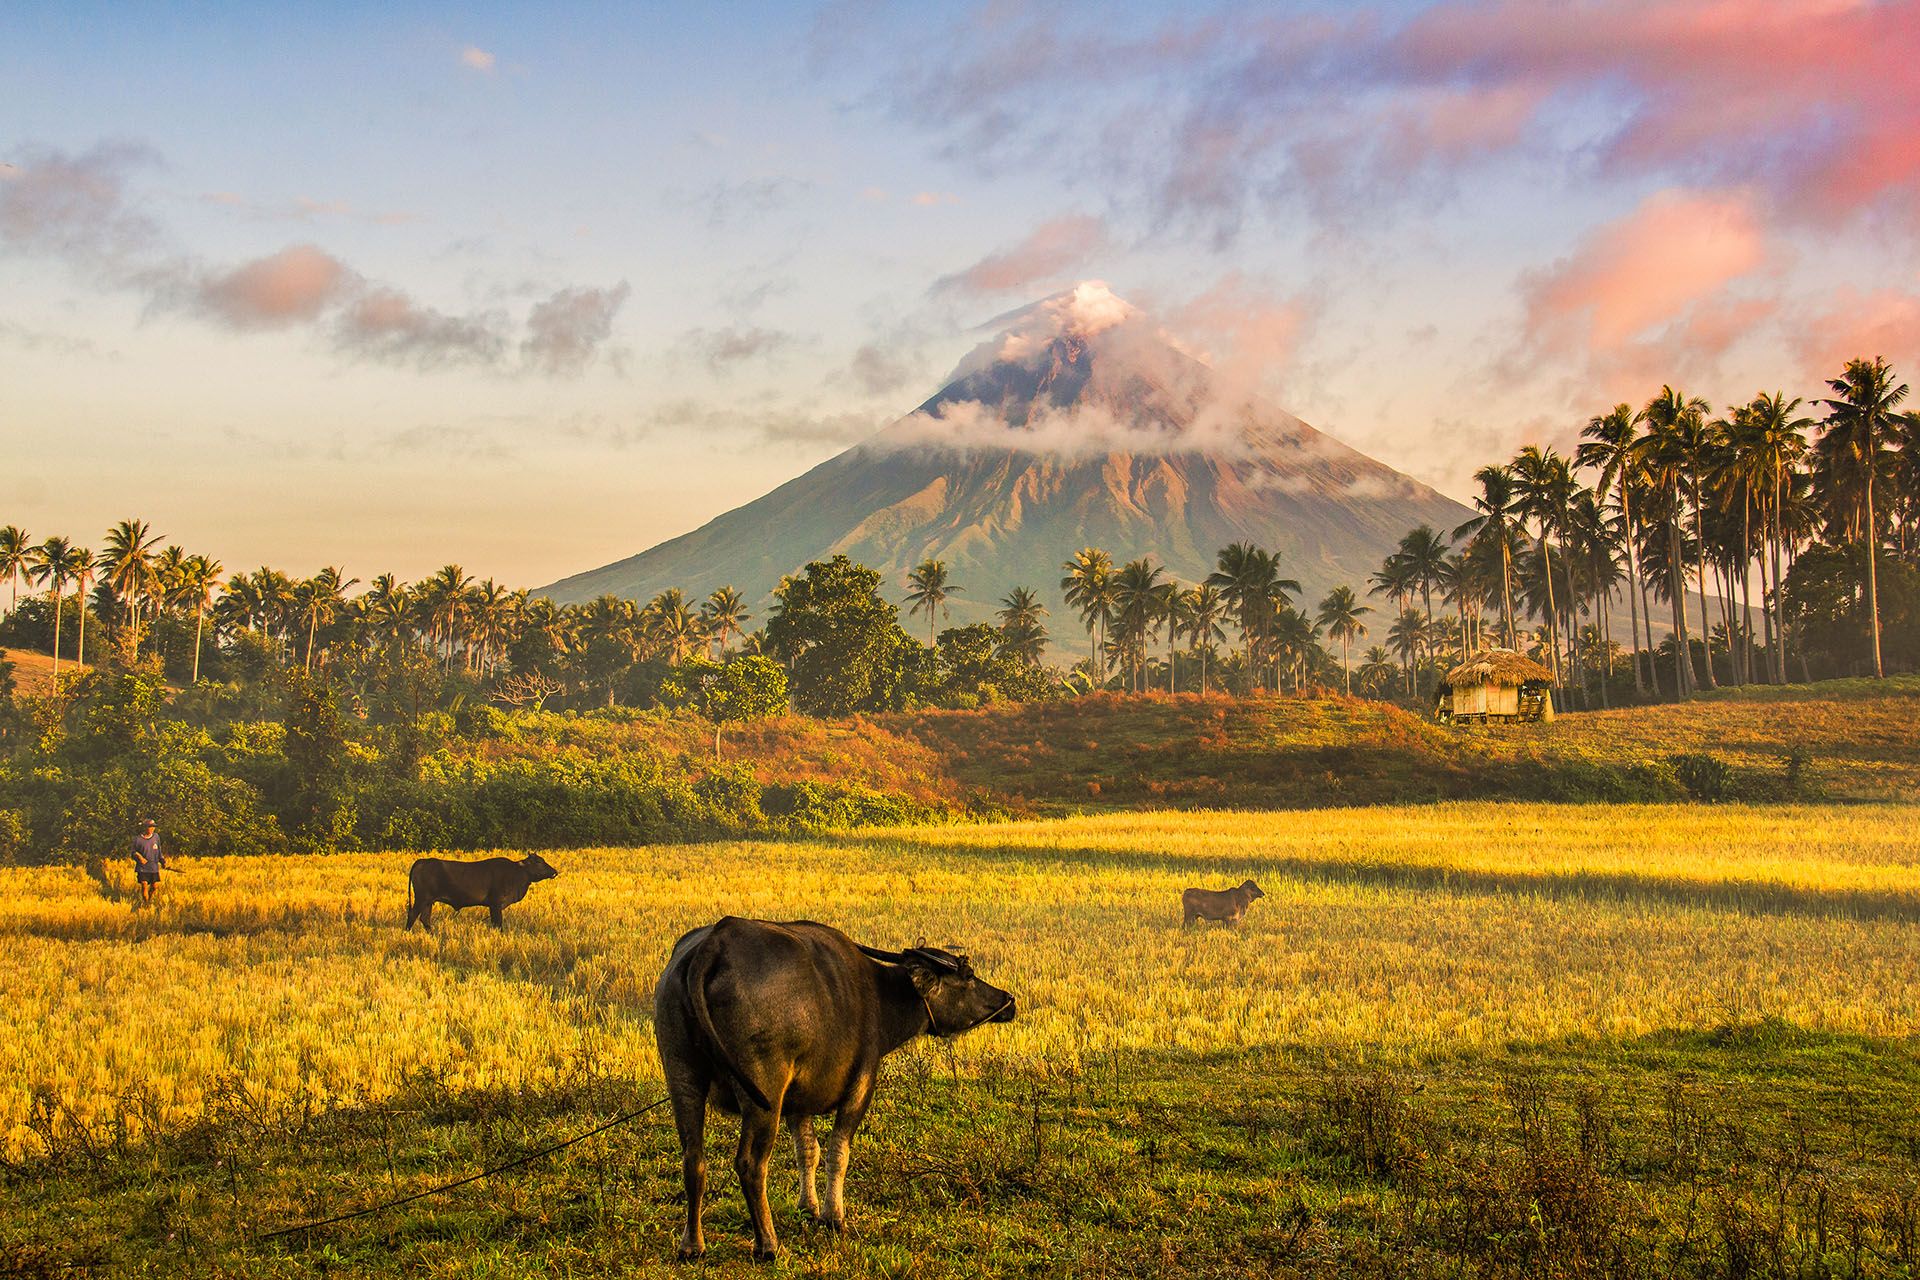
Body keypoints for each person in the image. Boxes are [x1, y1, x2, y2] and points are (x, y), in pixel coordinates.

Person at [131, 818, 168, 906]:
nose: (152, 829)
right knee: (144, 885)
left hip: (153, 867)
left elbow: (159, 851)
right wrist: (139, 857)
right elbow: (133, 853)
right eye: (150, 827)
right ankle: (146, 904)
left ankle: (149, 899)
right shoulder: (138, 839)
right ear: (145, 827)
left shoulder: (156, 837)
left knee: (154, 887)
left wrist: (162, 861)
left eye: (153, 827)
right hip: (143, 868)